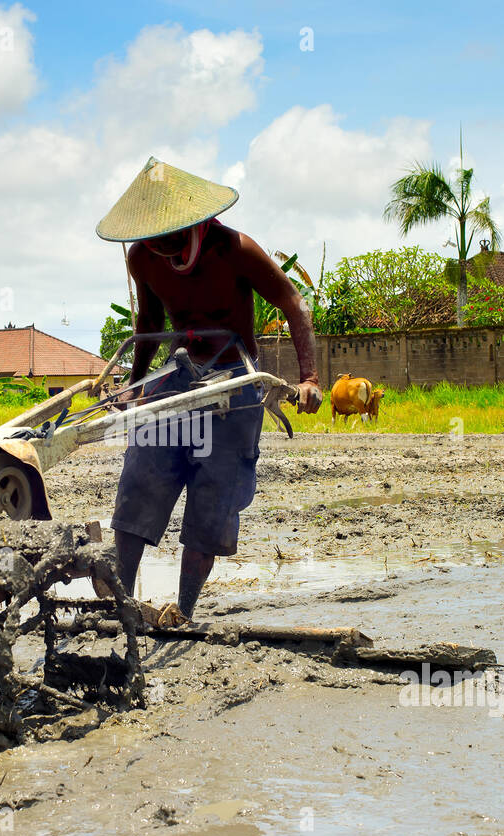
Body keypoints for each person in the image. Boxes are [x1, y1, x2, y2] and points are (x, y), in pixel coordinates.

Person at [95, 156, 322, 618]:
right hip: (179, 377)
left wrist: (310, 378)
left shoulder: (235, 249)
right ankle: (119, 605)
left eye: (169, 238)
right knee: (142, 477)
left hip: (235, 383)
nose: (163, 250)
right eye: (152, 240)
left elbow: (293, 301)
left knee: (213, 499)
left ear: (190, 222)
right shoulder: (143, 258)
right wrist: (137, 386)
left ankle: (185, 612)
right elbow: (150, 323)